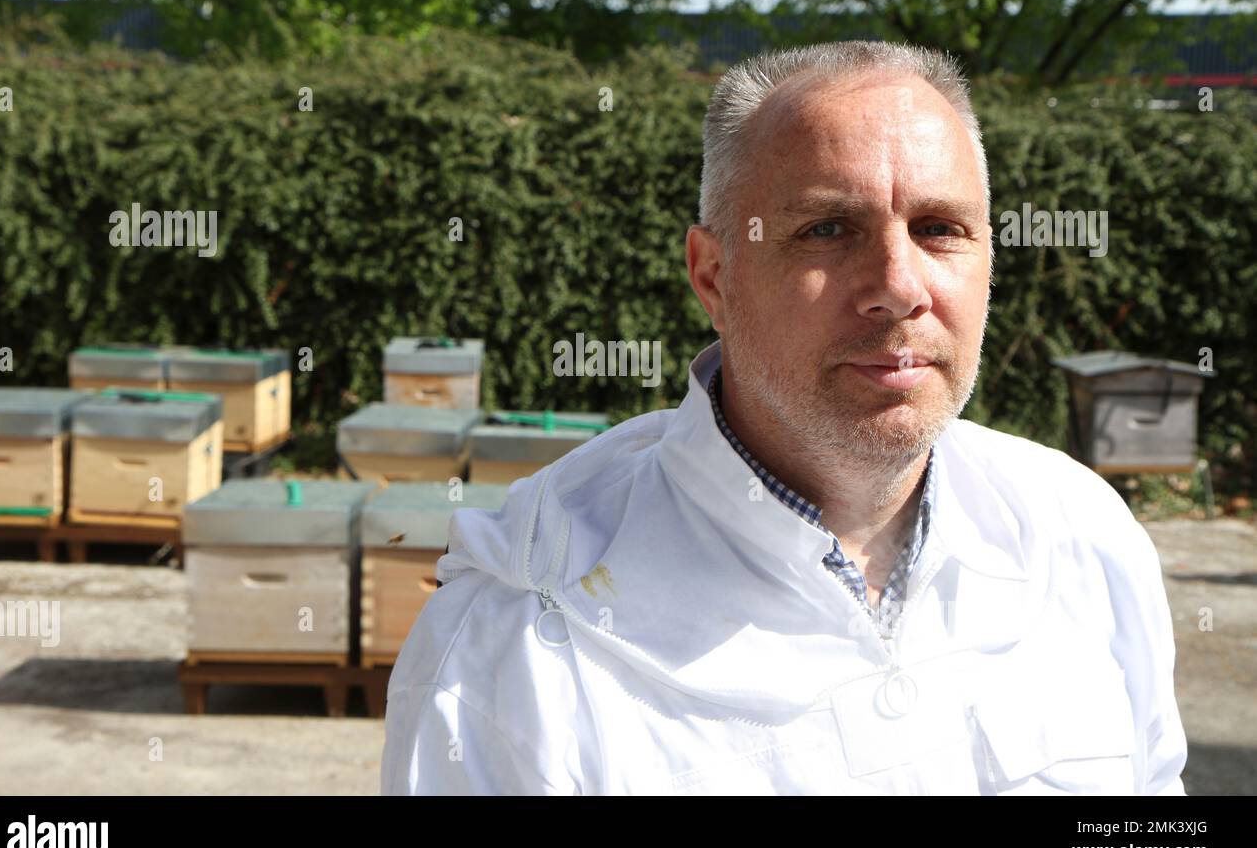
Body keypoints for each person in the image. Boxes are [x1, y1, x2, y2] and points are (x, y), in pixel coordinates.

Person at [380, 40, 1188, 795]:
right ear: (714, 276)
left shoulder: (1081, 539)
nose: (898, 286)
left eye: (940, 229)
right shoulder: (516, 640)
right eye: (828, 230)